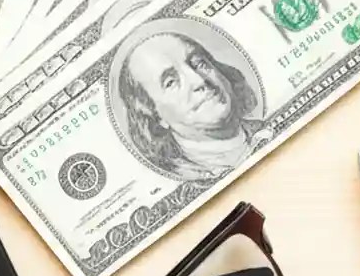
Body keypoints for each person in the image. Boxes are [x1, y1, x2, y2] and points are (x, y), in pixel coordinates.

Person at [113, 20, 265, 181]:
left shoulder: (263, 129)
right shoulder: (188, 175)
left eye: (199, 63)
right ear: (155, 117)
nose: (199, 80)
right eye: (170, 82)